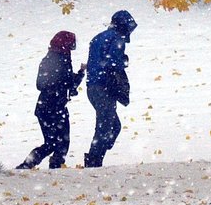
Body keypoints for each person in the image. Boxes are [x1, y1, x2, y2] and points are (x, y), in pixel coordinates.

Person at [16, 31, 85, 170]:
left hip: (48, 107)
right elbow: (43, 84)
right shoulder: (59, 60)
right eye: (71, 44)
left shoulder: (54, 58)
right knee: (59, 142)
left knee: (53, 142)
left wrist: (78, 75)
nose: (72, 47)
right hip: (53, 107)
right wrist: (63, 86)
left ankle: (32, 165)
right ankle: (47, 166)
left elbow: (66, 84)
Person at [84, 10, 137, 168]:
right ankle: (94, 160)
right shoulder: (116, 38)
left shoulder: (98, 38)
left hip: (92, 87)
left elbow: (96, 61)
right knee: (106, 125)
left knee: (112, 125)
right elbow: (114, 63)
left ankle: (96, 156)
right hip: (104, 86)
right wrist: (124, 61)